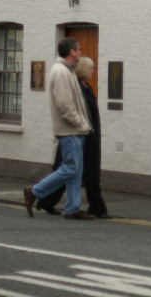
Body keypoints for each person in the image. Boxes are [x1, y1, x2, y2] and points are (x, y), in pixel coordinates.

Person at [23, 37, 94, 220]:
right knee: (70, 168)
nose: (80, 52)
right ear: (72, 52)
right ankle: (34, 191)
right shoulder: (61, 72)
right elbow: (64, 106)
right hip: (70, 130)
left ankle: (72, 208)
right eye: (78, 49)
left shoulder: (67, 70)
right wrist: (82, 125)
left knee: (75, 171)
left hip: (75, 131)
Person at [34, 56, 112, 218]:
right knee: (70, 170)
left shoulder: (86, 87)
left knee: (81, 171)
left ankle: (82, 206)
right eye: (91, 68)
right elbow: (68, 110)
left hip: (88, 134)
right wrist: (81, 128)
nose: (93, 71)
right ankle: (40, 195)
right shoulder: (78, 89)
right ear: (84, 70)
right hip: (77, 134)